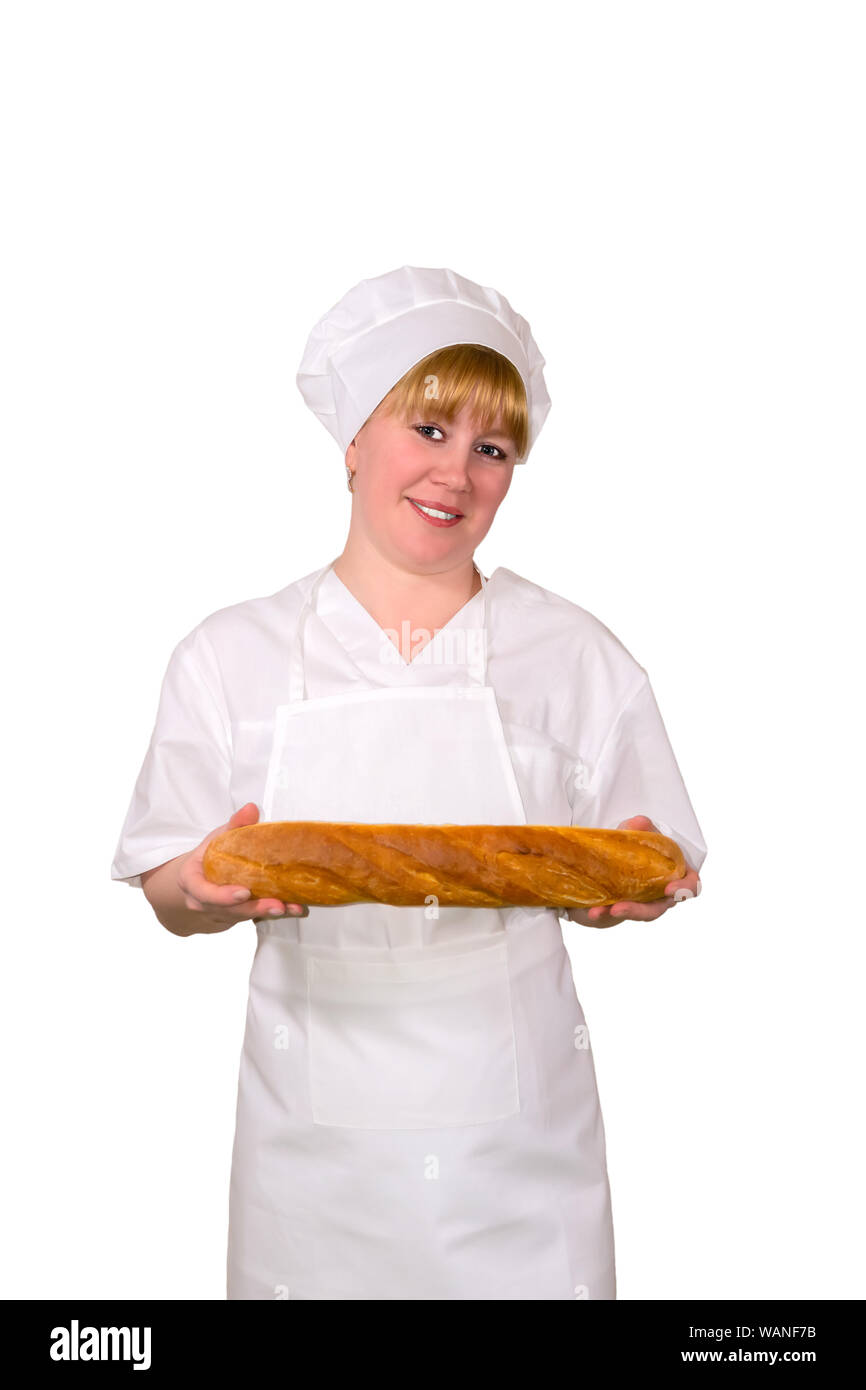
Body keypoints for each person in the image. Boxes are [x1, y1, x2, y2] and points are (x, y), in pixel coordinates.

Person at [111, 264, 707, 1301]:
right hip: (313, 1180)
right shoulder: (230, 654)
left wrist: (632, 898)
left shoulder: (573, 656)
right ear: (352, 440)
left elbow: (643, 863)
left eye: (491, 449)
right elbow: (166, 884)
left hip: (520, 1174)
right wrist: (198, 888)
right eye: (427, 431)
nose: (456, 474)